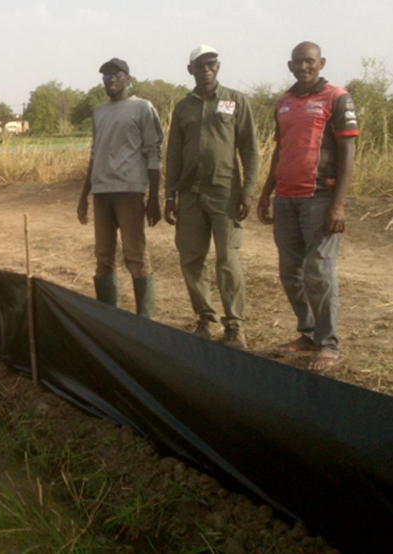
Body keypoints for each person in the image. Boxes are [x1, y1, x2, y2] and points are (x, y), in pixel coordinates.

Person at [257, 41, 358, 370]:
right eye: (298, 62)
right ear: (290, 66)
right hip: (285, 199)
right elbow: (279, 150)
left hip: (320, 199)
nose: (304, 67)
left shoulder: (337, 98)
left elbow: (347, 153)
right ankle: (309, 333)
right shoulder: (283, 102)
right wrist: (265, 193)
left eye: (310, 61)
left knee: (318, 272)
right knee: (290, 273)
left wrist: (339, 205)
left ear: (321, 63)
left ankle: (329, 345)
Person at [165, 45, 259, 349]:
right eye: (200, 64)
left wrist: (248, 192)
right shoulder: (183, 107)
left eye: (211, 62)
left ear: (217, 66)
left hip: (226, 193)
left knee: (228, 260)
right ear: (190, 69)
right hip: (190, 194)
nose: (206, 68)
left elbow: (250, 150)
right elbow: (174, 154)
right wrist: (169, 196)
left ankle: (235, 326)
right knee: (192, 259)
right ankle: (206, 319)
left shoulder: (236, 101)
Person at [77, 58, 163, 317]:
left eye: (116, 75)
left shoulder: (142, 108)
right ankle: (109, 318)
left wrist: (154, 197)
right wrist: (84, 196)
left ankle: (144, 320)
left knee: (135, 255)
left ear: (127, 78)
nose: (110, 80)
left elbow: (153, 153)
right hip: (102, 192)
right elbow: (95, 154)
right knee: (103, 257)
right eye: (105, 76)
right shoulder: (100, 112)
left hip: (129, 190)